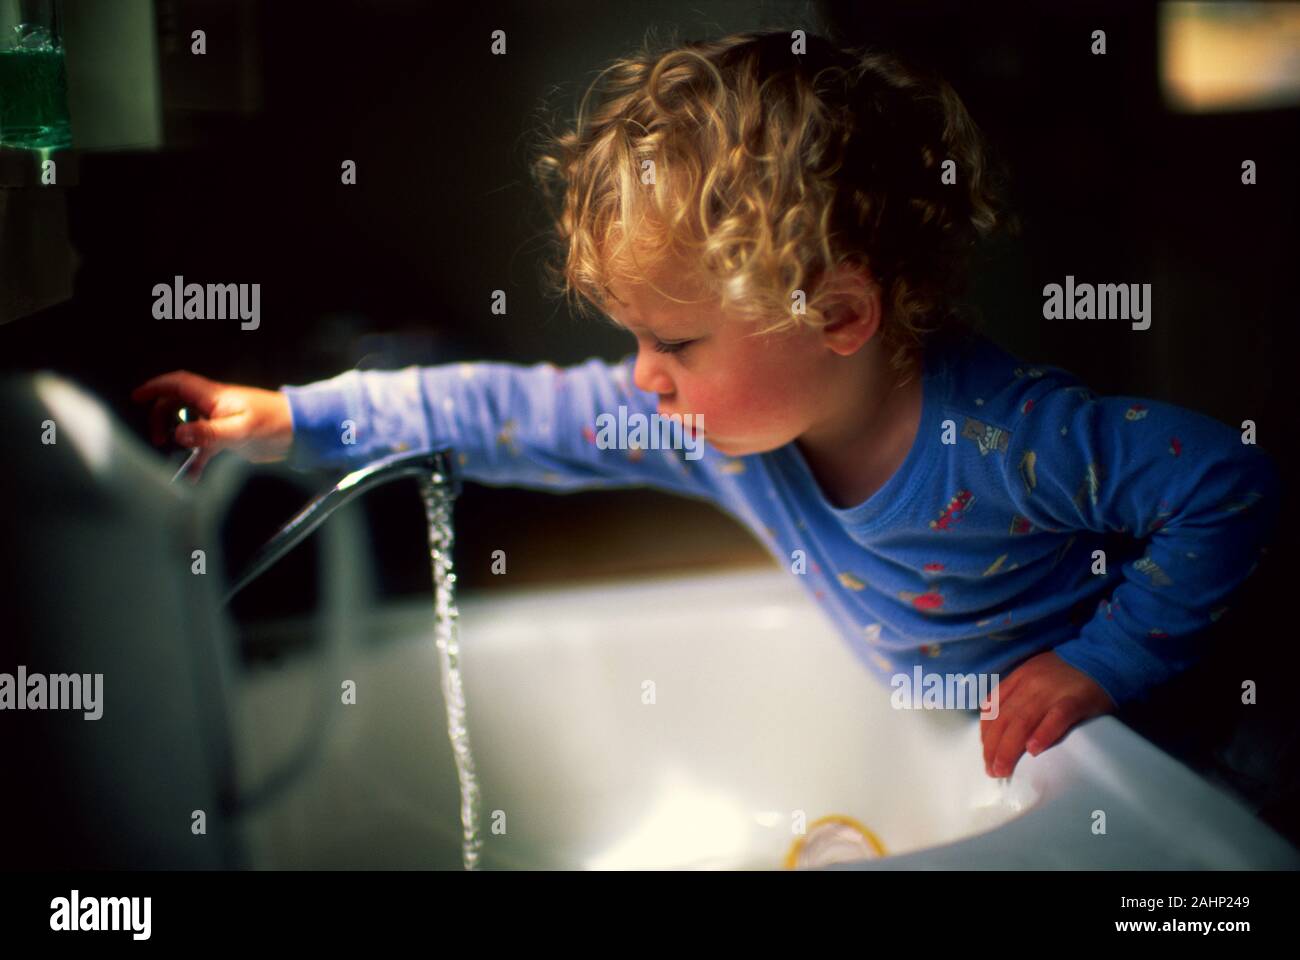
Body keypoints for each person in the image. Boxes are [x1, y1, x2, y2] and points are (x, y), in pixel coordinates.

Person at [132, 30, 1280, 783]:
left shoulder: (1012, 438)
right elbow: (508, 413)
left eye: (673, 341)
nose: (641, 376)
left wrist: (1105, 662)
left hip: (1180, 773)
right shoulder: (728, 438)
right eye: (634, 339)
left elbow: (1225, 480)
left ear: (838, 315)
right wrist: (294, 417)